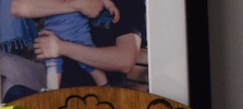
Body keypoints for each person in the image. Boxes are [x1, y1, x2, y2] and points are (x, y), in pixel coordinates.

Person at [10, 0, 145, 96]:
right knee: (13, 93)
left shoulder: (129, 3)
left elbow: (124, 60)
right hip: (61, 95)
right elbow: (18, 7)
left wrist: (62, 47)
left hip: (104, 98)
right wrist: (77, 5)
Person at [38, 0, 118, 90]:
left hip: (78, 32)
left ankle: (105, 86)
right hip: (55, 32)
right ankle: (52, 92)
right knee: (53, 64)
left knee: (89, 62)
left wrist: (110, 5)